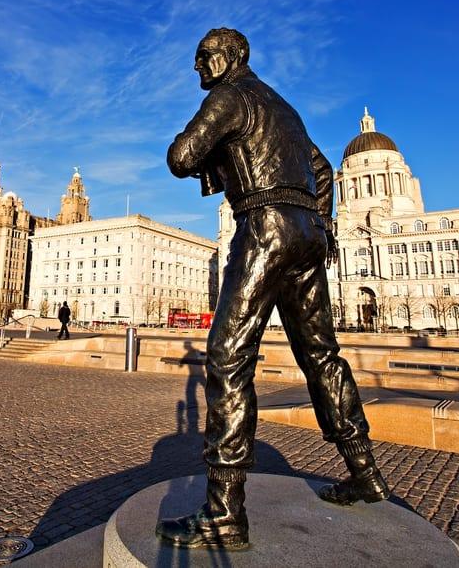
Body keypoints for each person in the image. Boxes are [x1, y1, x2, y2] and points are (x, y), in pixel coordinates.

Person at [156, 28, 389, 550]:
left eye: (203, 57)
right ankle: (365, 472)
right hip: (306, 233)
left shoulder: (230, 96)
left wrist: (202, 140)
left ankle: (224, 515)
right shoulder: (282, 106)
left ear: (232, 56)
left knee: (227, 358)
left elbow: (180, 158)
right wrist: (323, 226)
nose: (196, 67)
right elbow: (323, 170)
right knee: (322, 356)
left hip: (265, 227)